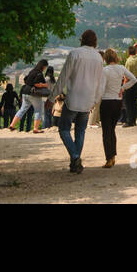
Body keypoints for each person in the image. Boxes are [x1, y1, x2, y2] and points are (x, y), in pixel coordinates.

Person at [50, 30, 105, 174]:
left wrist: (52, 98)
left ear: (82, 40)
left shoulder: (74, 54)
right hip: (88, 101)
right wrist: (95, 100)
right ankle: (75, 163)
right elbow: (100, 83)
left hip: (73, 98)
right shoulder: (99, 58)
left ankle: (75, 157)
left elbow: (63, 77)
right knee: (80, 131)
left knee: (64, 130)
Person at [98, 48, 137, 167]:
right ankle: (113, 156)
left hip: (106, 101)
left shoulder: (104, 70)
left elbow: (101, 87)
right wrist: (122, 88)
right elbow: (134, 79)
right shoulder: (121, 68)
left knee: (106, 131)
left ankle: (109, 158)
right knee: (112, 130)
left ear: (106, 58)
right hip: (117, 101)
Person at [10, 59, 49, 133]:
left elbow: (27, 80)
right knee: (38, 110)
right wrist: (45, 85)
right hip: (33, 94)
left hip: (25, 92)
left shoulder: (32, 71)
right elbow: (36, 84)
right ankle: (35, 128)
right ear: (43, 66)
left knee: (22, 109)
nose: (45, 68)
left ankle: (12, 125)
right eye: (45, 67)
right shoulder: (39, 74)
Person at [122, 43, 137, 127]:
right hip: (136, 80)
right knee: (133, 102)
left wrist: (123, 86)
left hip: (129, 82)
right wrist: (136, 47)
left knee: (127, 102)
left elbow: (126, 75)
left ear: (128, 52)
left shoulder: (128, 61)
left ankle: (129, 121)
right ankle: (133, 120)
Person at [42, 65, 57, 131]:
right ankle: (49, 126)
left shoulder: (46, 79)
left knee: (45, 114)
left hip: (45, 98)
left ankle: (45, 127)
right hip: (52, 98)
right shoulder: (53, 80)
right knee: (49, 114)